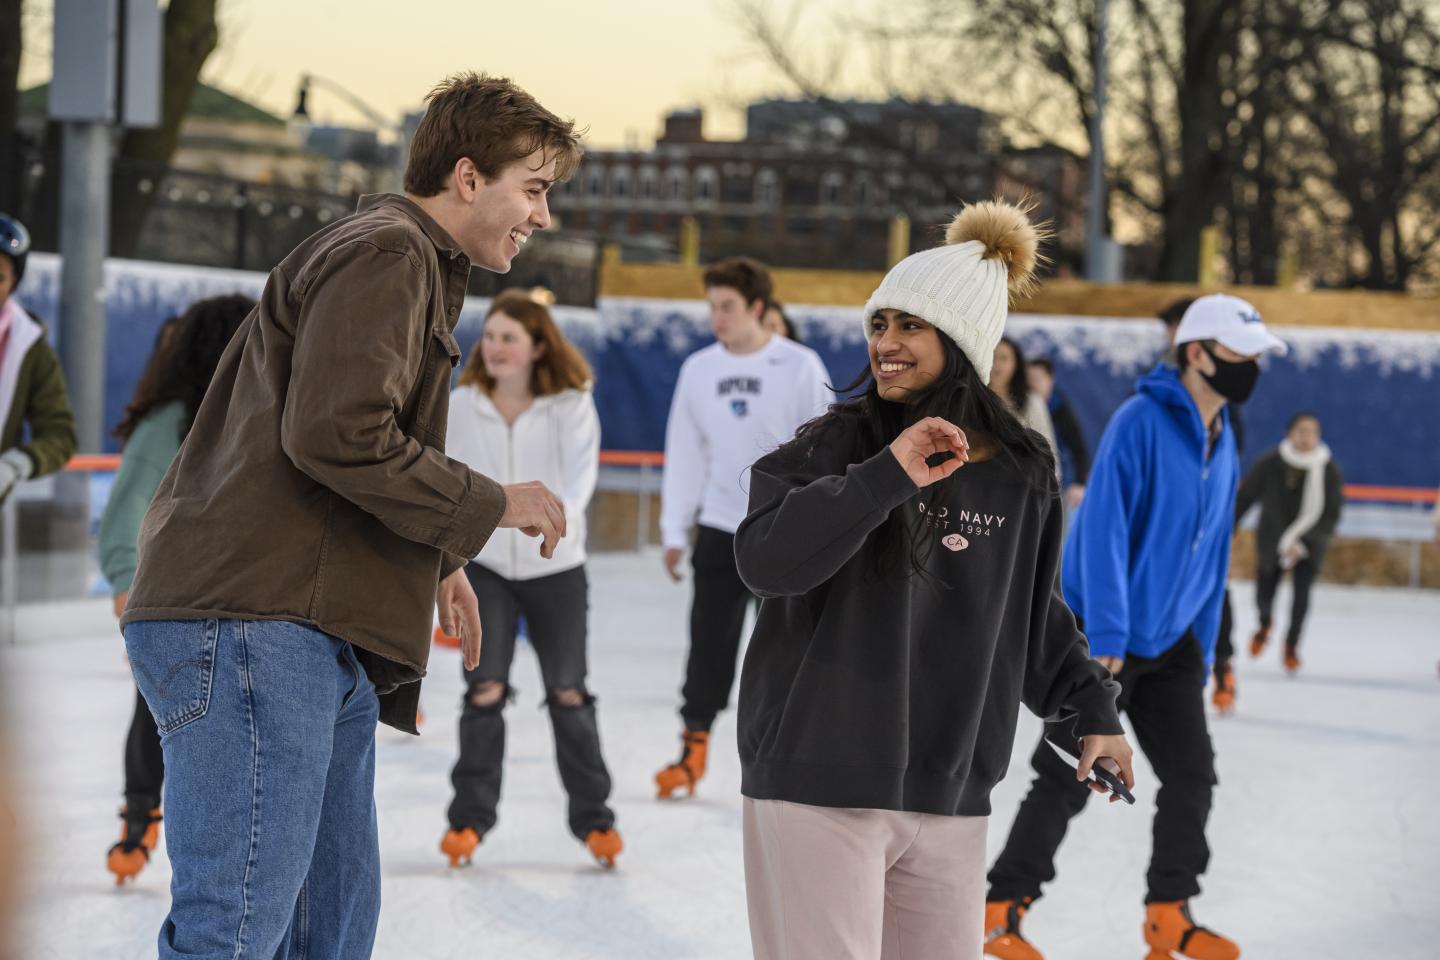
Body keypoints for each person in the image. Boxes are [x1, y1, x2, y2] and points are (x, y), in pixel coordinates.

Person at [118, 74, 579, 959]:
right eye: (534, 188)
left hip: (306, 626)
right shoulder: (390, 252)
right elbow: (337, 433)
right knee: (237, 929)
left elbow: (346, 440)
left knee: (328, 931)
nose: (543, 215)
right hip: (253, 622)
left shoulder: (409, 261)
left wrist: (440, 559)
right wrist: (490, 505)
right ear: (469, 177)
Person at [732, 199, 1134, 960]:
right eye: (879, 324)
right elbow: (765, 563)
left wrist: (1091, 710)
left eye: (909, 326)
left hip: (950, 786)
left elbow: (1034, 614)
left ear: (962, 340)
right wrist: (886, 475)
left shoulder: (1022, 470)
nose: (885, 344)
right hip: (819, 777)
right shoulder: (834, 446)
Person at [985, 294, 1287, 960]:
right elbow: (1103, 534)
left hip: (1173, 643)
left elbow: (1213, 552)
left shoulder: (1222, 437)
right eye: (1241, 354)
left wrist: (1203, 643)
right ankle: (1000, 909)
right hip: (1103, 641)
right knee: (1065, 780)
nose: (1252, 368)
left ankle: (1168, 915)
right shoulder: (1139, 421)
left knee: (1192, 778)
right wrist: (1108, 641)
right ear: (1197, 353)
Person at [439, 289, 622, 869]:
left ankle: (595, 820)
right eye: (490, 336)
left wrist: (547, 522)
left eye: (509, 338)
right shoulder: (462, 404)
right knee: (484, 688)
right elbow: (446, 479)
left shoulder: (571, 404)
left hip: (556, 567)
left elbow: (578, 483)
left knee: (568, 691)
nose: (494, 347)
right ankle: (468, 819)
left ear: (539, 346)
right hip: (485, 568)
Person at [654, 257, 832, 799]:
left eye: (727, 306)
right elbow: (685, 452)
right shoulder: (698, 369)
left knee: (787, 647)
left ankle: (791, 754)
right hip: (718, 527)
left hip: (782, 531)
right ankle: (693, 749)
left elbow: (824, 453)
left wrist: (820, 529)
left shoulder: (799, 365)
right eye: (712, 306)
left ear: (756, 307)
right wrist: (673, 529)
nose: (717, 317)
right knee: (708, 642)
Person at [98, 295, 253, 885]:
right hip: (177, 600)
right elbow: (125, 508)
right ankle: (140, 815)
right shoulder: (171, 422)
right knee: (157, 710)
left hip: (255, 604)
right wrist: (125, 582)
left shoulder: (273, 408)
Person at [1161, 297, 1243, 711]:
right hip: (1166, 524)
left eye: (1178, 326)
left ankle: (1223, 661)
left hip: (1205, 514)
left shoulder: (1222, 405)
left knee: (1214, 583)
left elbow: (1228, 452)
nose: (1172, 335)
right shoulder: (1150, 397)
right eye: (1170, 329)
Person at [1235, 412, 1343, 674]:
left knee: (1301, 596)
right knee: (1264, 591)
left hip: (1309, 543)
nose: (1307, 437)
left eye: (1313, 432)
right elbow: (1246, 496)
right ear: (1290, 433)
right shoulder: (1271, 462)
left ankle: (1292, 644)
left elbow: (1331, 514)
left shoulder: (1328, 469)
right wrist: (1229, 526)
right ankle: (1264, 624)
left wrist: (1303, 543)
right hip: (1272, 537)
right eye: (1302, 431)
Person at [0, 212, 77, 503]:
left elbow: (60, 435)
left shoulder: (29, 348)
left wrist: (15, 465)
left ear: (14, 282)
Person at [990, 336, 1060, 476]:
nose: (997, 364)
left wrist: (1052, 482)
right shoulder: (970, 400)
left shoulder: (1033, 402)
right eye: (992, 357)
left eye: (1004, 358)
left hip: (1025, 481)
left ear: (1016, 364)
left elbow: (1048, 449)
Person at [1027, 357, 1090, 509]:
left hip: (1059, 484)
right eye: (1028, 379)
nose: (1032, 384)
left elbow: (1078, 448)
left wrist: (1080, 482)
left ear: (1050, 380)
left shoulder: (1061, 408)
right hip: (1029, 482)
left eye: (1037, 379)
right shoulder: (1022, 405)